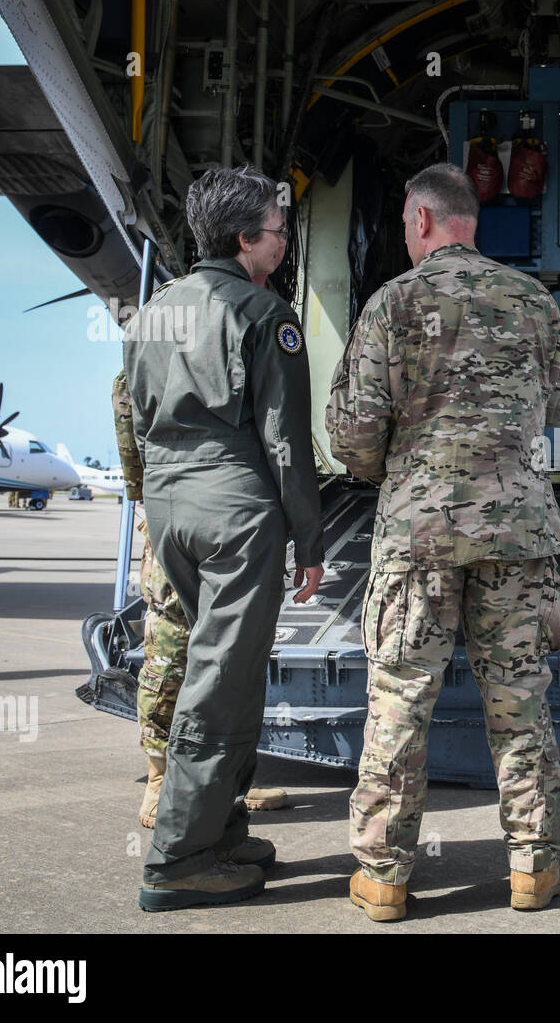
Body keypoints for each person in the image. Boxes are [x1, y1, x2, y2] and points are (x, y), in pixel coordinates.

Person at [326, 162, 560, 922]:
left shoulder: (391, 303)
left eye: (407, 225)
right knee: (520, 698)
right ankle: (536, 867)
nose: (407, 235)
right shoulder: (531, 300)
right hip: (518, 529)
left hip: (418, 534)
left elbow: (352, 431)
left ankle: (383, 877)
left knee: (401, 700)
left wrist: (397, 474)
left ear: (425, 221)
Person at [123, 164, 325, 911]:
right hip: (236, 511)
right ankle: (177, 859)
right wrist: (312, 537)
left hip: (171, 508)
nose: (284, 239)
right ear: (247, 240)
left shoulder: (152, 312)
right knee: (218, 682)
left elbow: (138, 420)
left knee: (229, 674)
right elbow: (284, 440)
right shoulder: (264, 313)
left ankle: (221, 830)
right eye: (278, 229)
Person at [112, 369, 289, 829]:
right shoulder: (144, 365)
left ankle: (224, 782)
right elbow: (133, 455)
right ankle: (159, 779)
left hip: (224, 515)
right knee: (170, 646)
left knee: (231, 650)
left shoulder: (229, 357)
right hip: (177, 511)